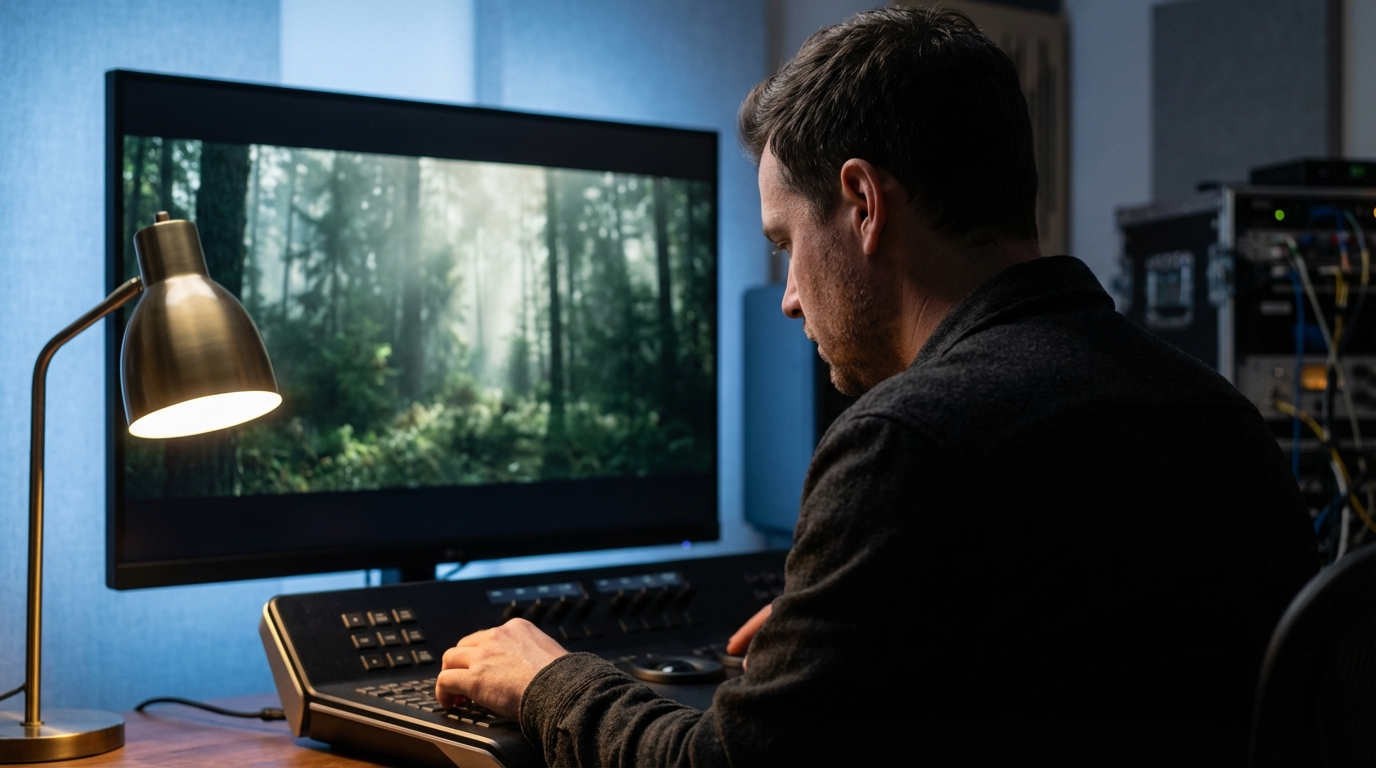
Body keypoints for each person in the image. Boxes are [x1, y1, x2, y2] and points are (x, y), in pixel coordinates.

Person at [436, 7, 1318, 765]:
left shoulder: (906, 441)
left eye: (785, 243)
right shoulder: (1218, 413)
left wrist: (552, 681)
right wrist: (853, 623)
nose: (785, 298)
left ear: (863, 204)